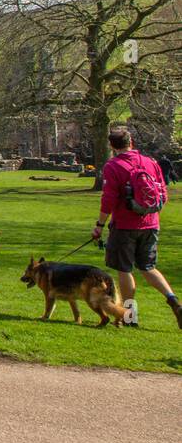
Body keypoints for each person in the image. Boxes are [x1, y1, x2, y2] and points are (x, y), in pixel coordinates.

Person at [93, 126, 180, 328]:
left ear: (111, 146)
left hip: (124, 226)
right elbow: (163, 194)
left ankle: (130, 316)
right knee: (148, 267)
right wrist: (149, 214)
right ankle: (173, 300)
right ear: (131, 142)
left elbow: (108, 200)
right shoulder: (150, 163)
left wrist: (99, 225)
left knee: (124, 269)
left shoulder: (113, 166)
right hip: (151, 224)